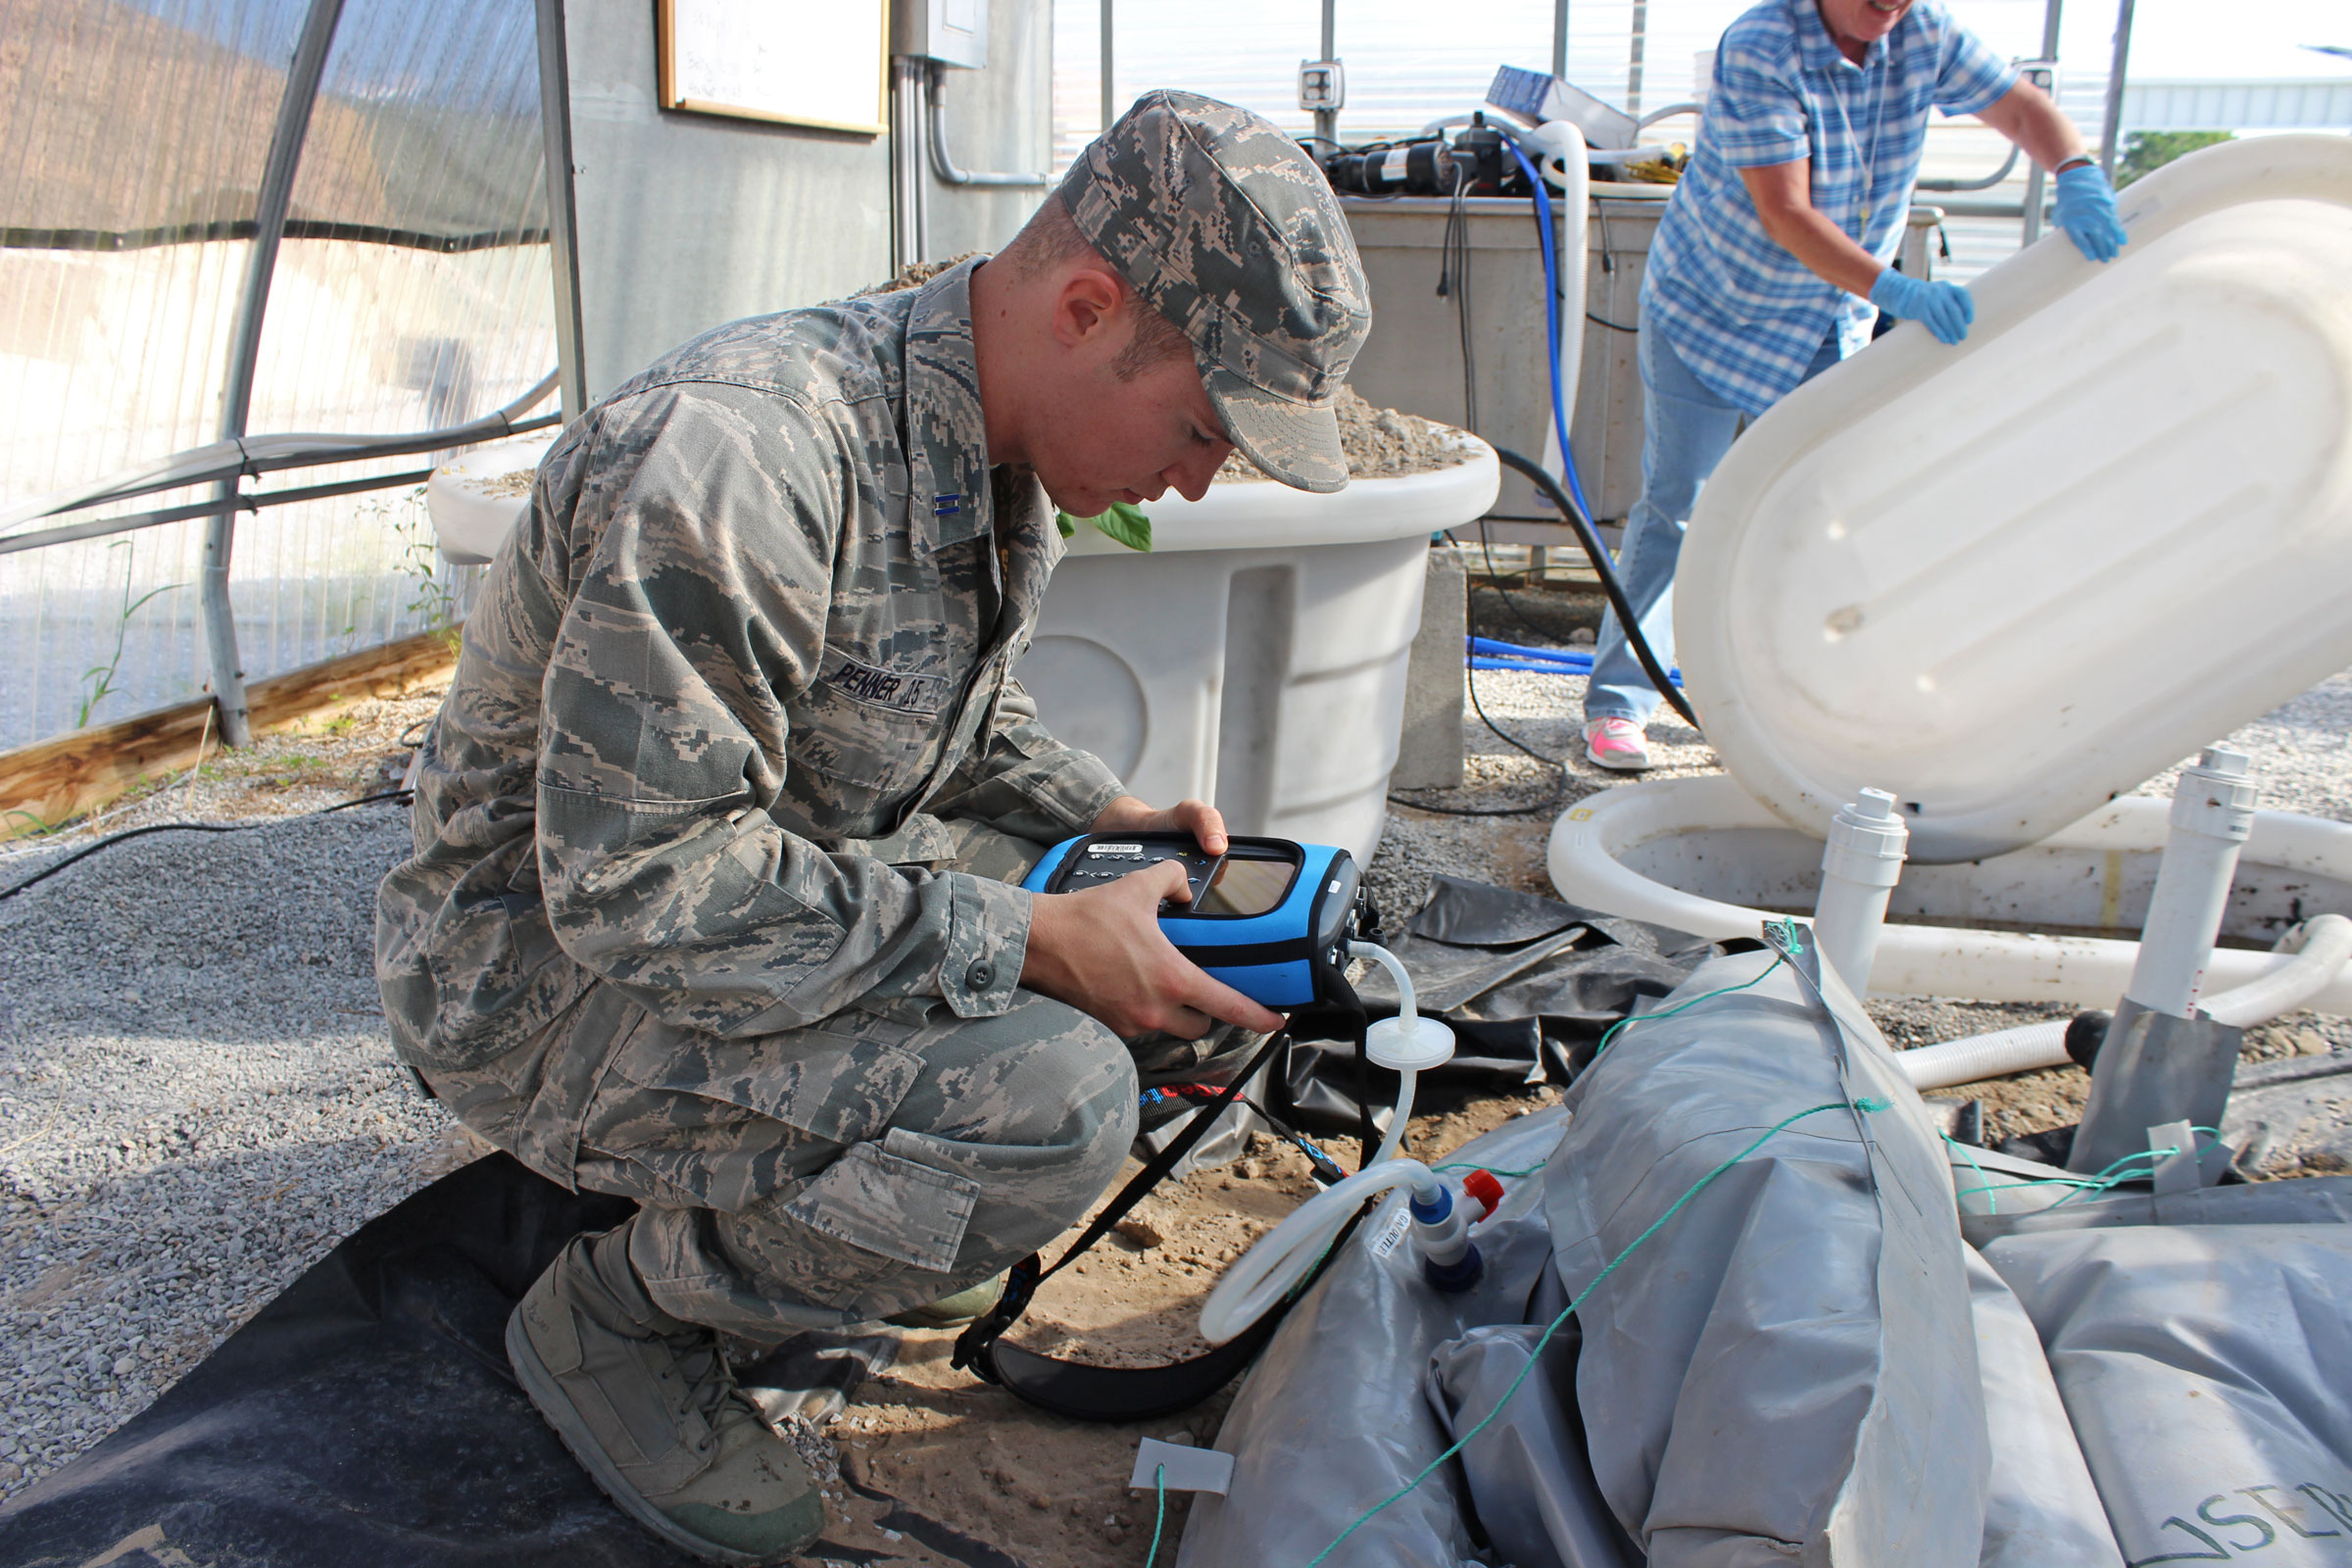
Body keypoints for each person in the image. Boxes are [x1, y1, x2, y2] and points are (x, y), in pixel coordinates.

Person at [373, 90, 1369, 1565]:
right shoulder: (740, 463)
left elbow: (921, 710)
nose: (1198, 478)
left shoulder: (982, 435)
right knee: (1057, 1105)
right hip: (538, 977)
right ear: (1090, 308)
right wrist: (1024, 936)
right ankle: (625, 1323)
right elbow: (641, 888)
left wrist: (1096, 815)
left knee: (1188, 980)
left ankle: (892, 1203)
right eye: (1206, 426)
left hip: (770, 893)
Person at [1580, 0, 2129, 770]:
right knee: (1682, 506)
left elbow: (2017, 106)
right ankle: (1617, 706)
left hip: (1825, 320)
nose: (1889, 5)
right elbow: (1785, 210)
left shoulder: (1924, 32)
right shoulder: (1765, 43)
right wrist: (1897, 293)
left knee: (1813, 517)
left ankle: (1785, 707)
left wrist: (2076, 170)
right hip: (1713, 306)